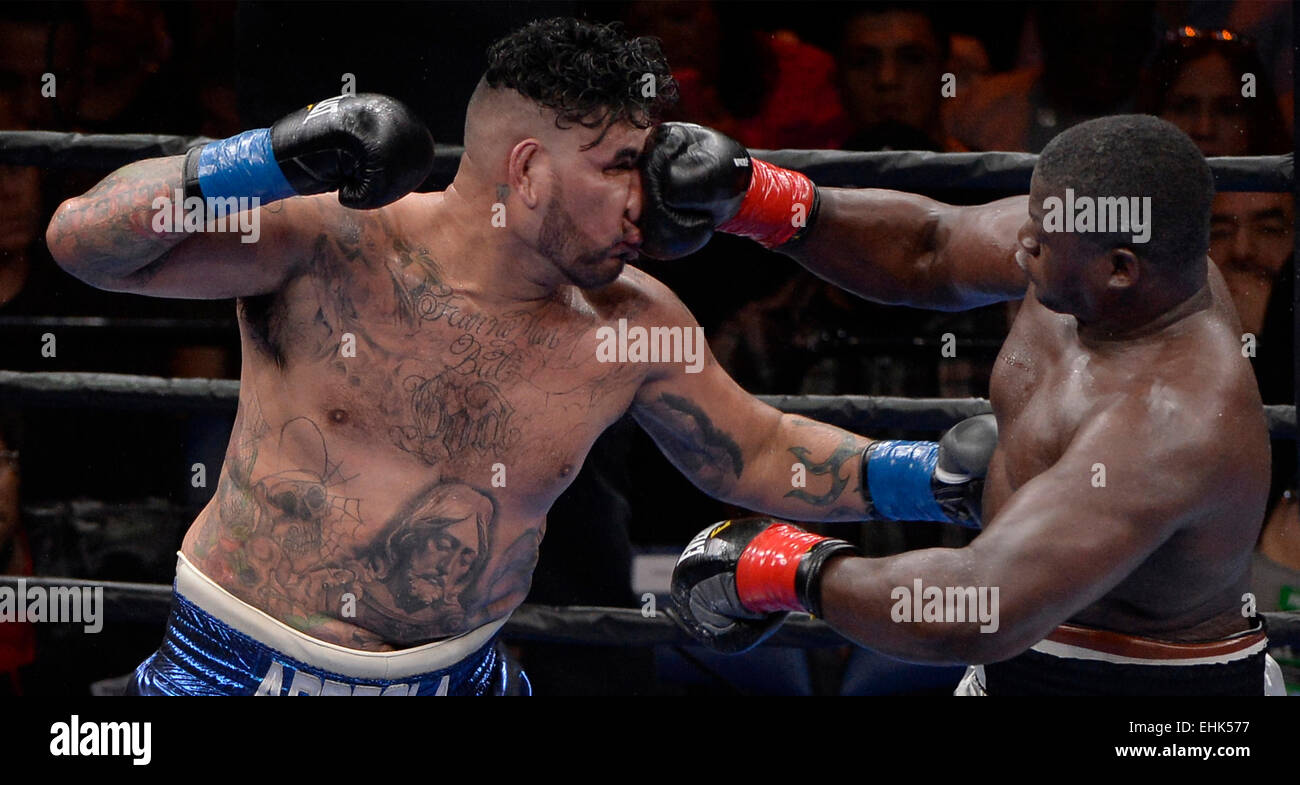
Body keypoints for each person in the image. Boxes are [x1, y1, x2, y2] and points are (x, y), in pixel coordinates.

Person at [45, 17, 989, 696]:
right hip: (237, 663)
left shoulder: (629, 322)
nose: (648, 196)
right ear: (528, 169)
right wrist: (260, 157)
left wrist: (937, 475)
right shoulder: (331, 239)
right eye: (621, 163)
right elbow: (83, 241)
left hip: (464, 674)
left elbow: (753, 448)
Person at [648, 115, 1281, 694]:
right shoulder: (1090, 259)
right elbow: (931, 247)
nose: (1022, 242)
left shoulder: (1170, 420)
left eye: (1042, 237)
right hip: (1024, 658)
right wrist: (759, 199)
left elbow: (980, 606)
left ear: (1120, 267)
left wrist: (793, 572)